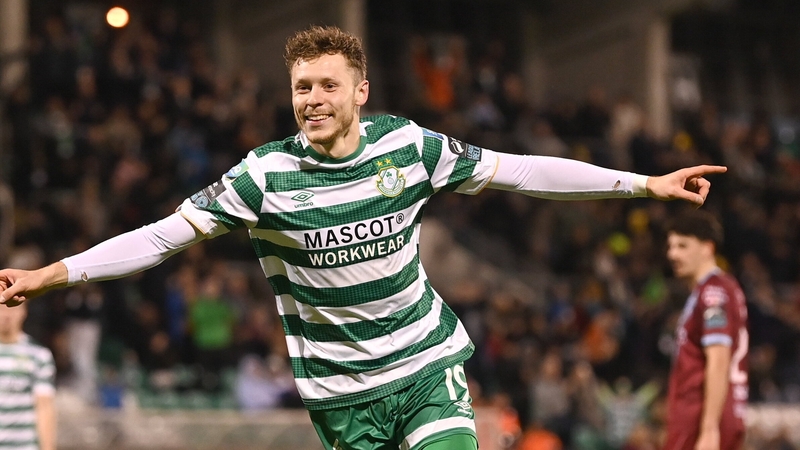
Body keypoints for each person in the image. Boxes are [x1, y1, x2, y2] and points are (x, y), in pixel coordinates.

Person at [0, 26, 726, 450]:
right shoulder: (264, 176)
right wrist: (51, 274)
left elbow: (521, 171)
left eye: (327, 85)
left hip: (424, 364)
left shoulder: (408, 147)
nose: (313, 99)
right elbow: (162, 238)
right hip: (340, 390)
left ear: (360, 92)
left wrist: (644, 184)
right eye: (302, 88)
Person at [664, 210, 748, 450]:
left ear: (707, 248)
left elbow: (718, 359)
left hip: (700, 420)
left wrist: (709, 428)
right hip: (703, 419)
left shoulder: (714, 293)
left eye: (682, 246)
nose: (672, 254)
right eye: (670, 246)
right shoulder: (714, 290)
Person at [0, 303, 57, 450]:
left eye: (12, 308)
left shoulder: (38, 355)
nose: (6, 315)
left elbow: (44, 408)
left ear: (23, 311)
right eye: (1, 308)